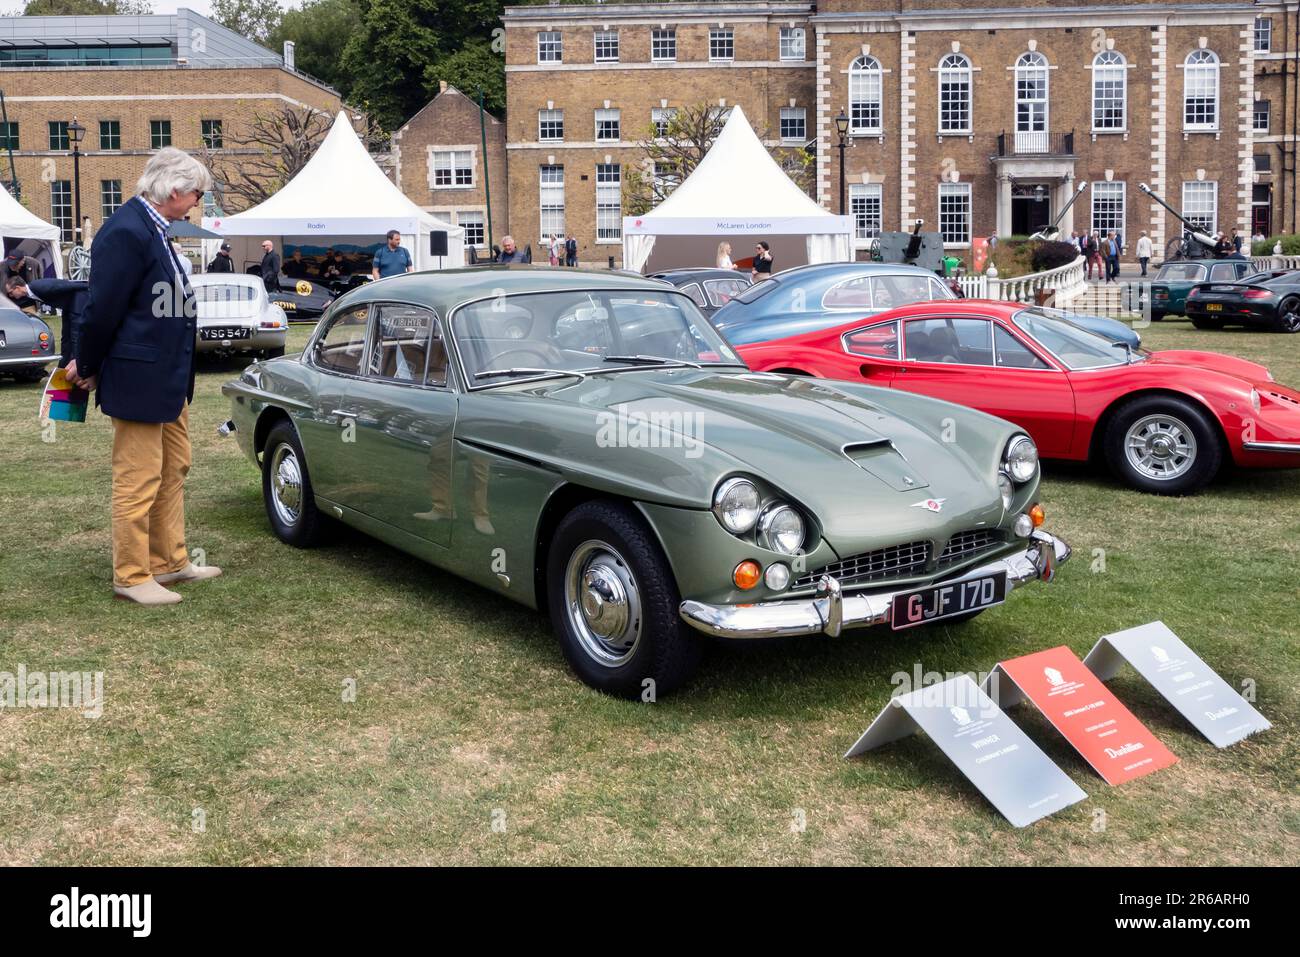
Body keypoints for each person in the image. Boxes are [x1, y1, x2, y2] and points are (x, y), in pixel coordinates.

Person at [64, 147, 222, 606]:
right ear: (174, 191)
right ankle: (132, 576)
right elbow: (101, 310)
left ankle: (168, 561)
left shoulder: (155, 228)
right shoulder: (126, 231)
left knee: (174, 467)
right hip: (140, 377)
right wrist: (87, 364)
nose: (198, 203)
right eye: (197, 194)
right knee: (138, 476)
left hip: (168, 378)